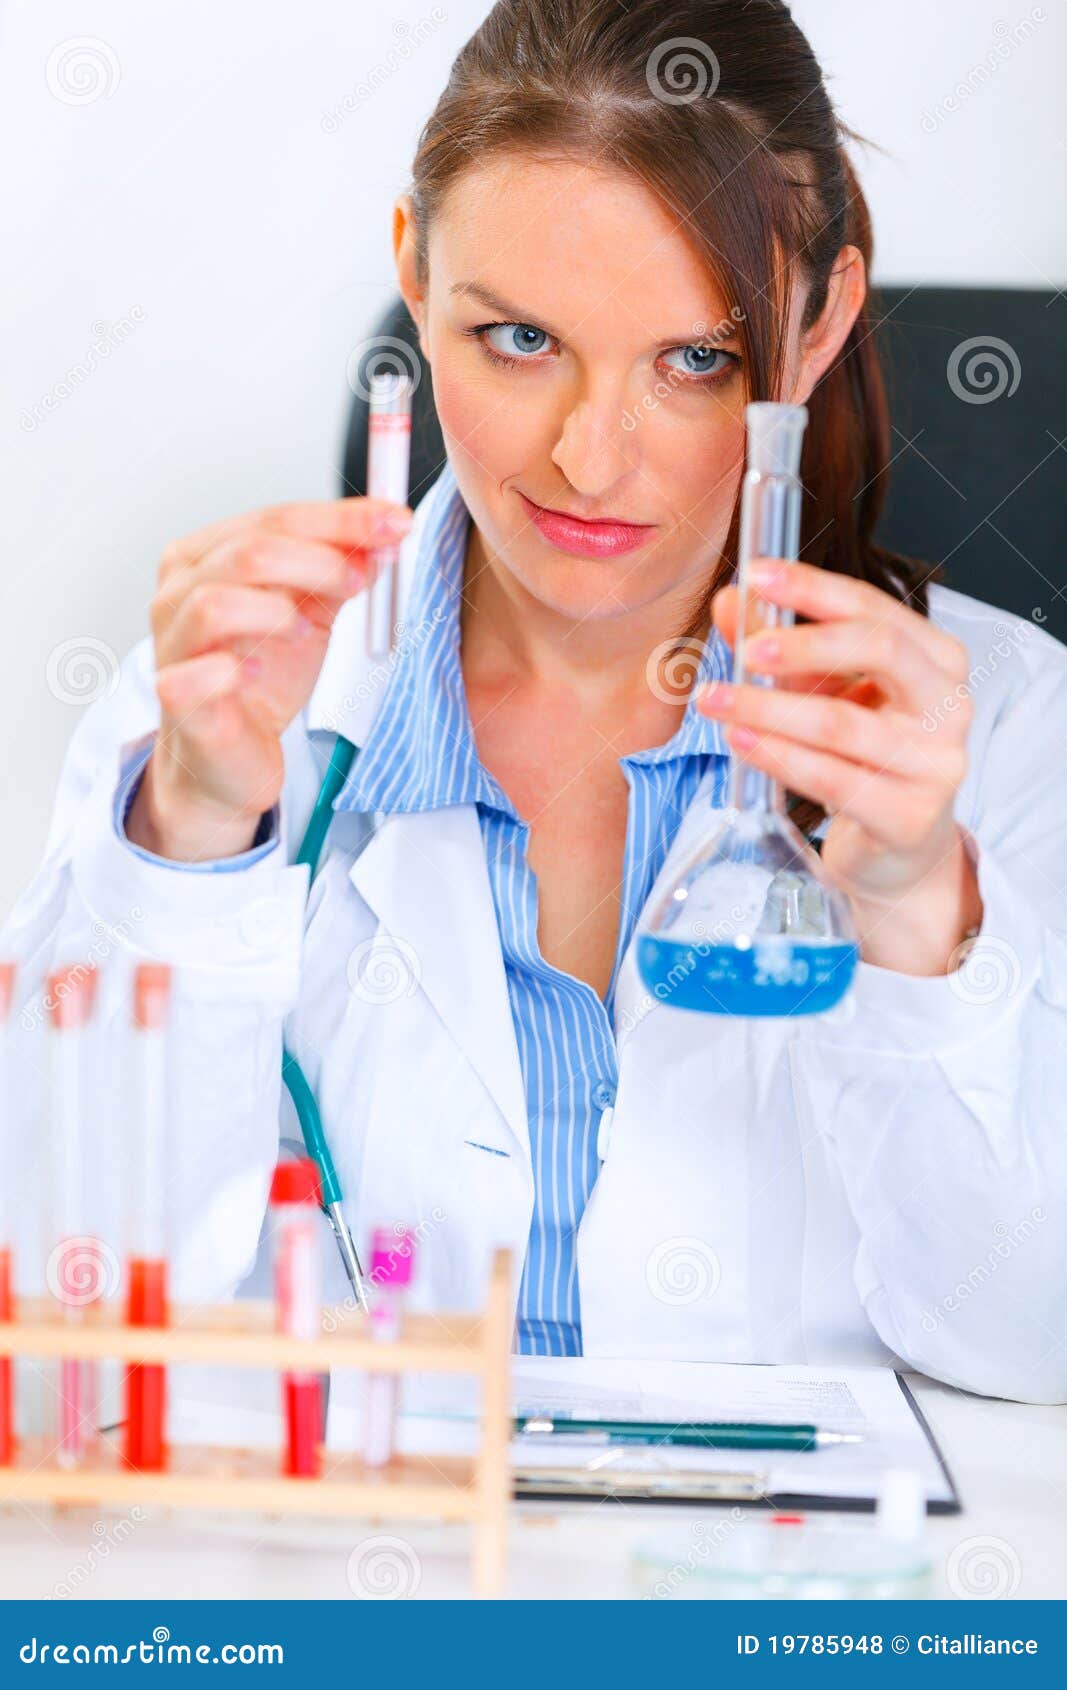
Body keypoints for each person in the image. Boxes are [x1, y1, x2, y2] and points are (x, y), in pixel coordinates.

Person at [5, 0, 1066, 1419]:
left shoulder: (999, 726)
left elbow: (1033, 1343)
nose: (589, 458)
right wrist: (189, 847)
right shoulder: (230, 711)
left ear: (818, 327)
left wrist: (922, 918)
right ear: (412, 272)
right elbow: (63, 1297)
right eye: (518, 339)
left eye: (693, 360)